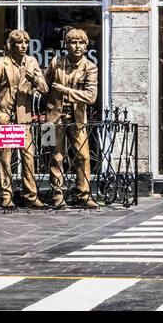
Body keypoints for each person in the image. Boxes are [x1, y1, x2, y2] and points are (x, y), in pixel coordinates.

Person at [0, 29, 48, 208]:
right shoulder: (1, 64)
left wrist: (35, 79)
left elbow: (44, 89)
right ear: (11, 45)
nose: (24, 46)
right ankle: (6, 195)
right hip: (7, 118)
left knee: (29, 156)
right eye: (20, 43)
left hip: (23, 118)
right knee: (5, 159)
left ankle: (31, 196)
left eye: (26, 42)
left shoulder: (32, 62)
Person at [44, 28, 100, 209]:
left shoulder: (90, 67)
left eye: (81, 43)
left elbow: (91, 97)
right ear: (66, 45)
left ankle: (83, 194)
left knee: (83, 156)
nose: (77, 46)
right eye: (73, 42)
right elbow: (44, 87)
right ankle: (57, 194)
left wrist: (65, 91)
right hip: (55, 118)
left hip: (77, 118)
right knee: (56, 156)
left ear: (86, 46)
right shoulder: (56, 63)